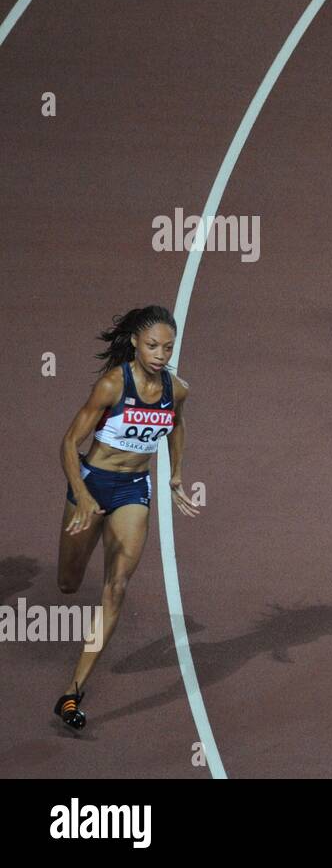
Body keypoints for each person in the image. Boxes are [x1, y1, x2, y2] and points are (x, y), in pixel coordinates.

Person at [54, 305, 201, 730]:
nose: (160, 354)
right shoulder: (113, 385)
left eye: (167, 347)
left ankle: (72, 691)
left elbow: (177, 426)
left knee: (116, 586)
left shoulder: (178, 389)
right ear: (135, 342)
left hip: (133, 490)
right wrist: (81, 495)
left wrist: (175, 475)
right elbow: (67, 443)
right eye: (153, 345)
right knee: (68, 583)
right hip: (93, 483)